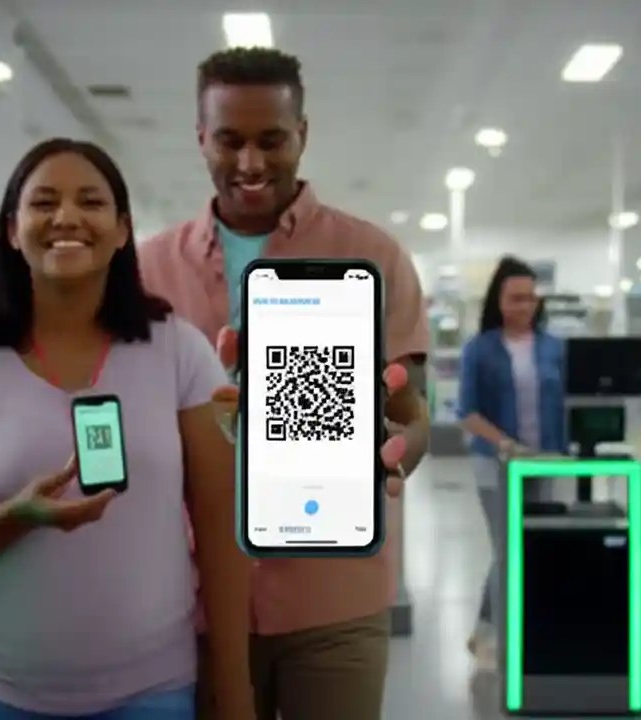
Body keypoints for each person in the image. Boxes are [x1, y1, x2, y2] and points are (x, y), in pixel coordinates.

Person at [0, 138, 253, 720]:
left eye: (91, 202)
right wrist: (16, 516)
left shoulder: (177, 352)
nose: (66, 217)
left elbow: (220, 528)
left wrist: (234, 688)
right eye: (43, 203)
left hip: (152, 690)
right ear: (12, 229)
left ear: (121, 230)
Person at [137, 47, 430, 720]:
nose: (250, 164)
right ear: (200, 139)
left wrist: (389, 457)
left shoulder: (372, 257)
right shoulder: (149, 270)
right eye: (229, 141)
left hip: (335, 598)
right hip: (189, 599)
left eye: (271, 140)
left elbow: (411, 414)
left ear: (303, 134)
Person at [456, 256, 566, 669]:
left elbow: (566, 402)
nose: (525, 306)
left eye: (531, 298)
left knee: (520, 548)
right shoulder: (480, 350)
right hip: (496, 465)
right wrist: (506, 444)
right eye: (516, 298)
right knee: (510, 549)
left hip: (546, 463)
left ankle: (485, 629)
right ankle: (505, 641)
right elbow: (466, 411)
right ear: (498, 301)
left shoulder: (553, 347)